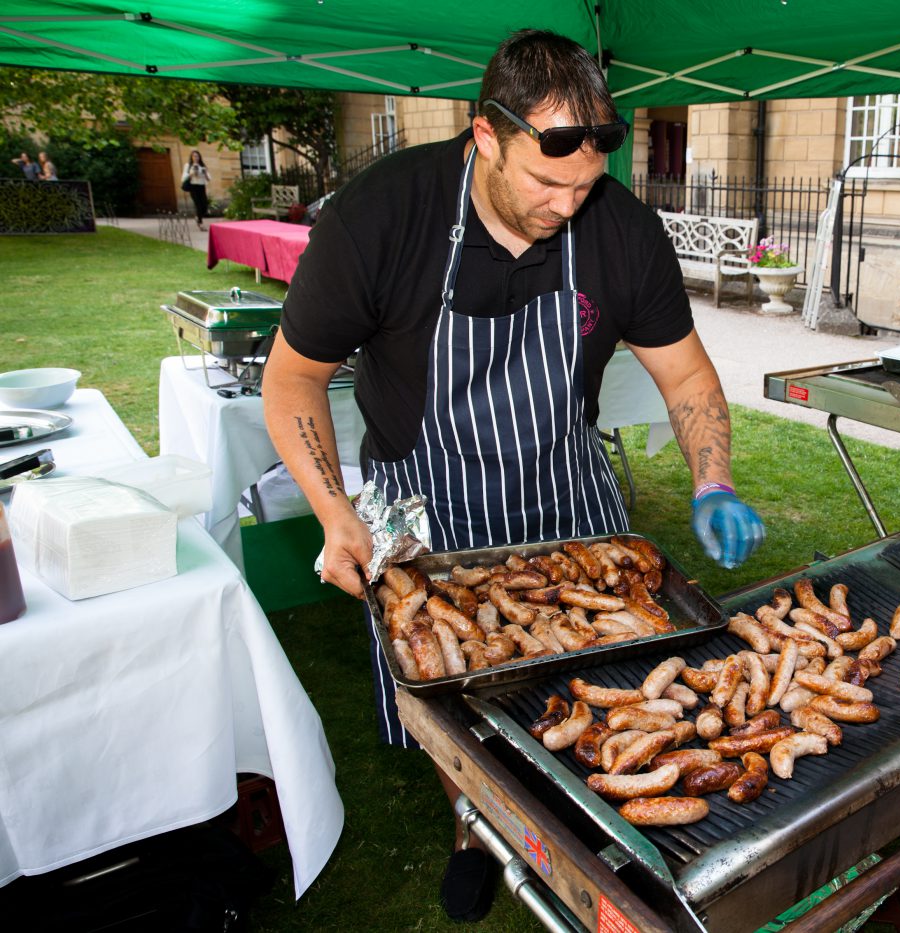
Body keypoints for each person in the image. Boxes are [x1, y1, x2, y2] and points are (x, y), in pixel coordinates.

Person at [261, 28, 764, 924]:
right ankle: (475, 827)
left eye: (584, 187)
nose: (567, 206)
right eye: (546, 182)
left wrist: (713, 480)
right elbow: (293, 377)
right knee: (467, 713)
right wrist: (335, 515)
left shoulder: (618, 228)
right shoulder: (381, 217)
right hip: (429, 509)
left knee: (599, 692)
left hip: (570, 499)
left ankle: (594, 836)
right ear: (484, 135)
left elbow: (685, 375)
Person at [181, 150, 211, 229]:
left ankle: (198, 216)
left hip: (201, 186)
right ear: (191, 157)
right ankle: (200, 223)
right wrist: (192, 173)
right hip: (193, 186)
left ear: (199, 157)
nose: (196, 157)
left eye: (197, 156)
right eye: (194, 156)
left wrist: (205, 173)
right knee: (198, 205)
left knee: (204, 205)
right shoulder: (188, 165)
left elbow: (208, 178)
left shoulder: (202, 165)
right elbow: (184, 178)